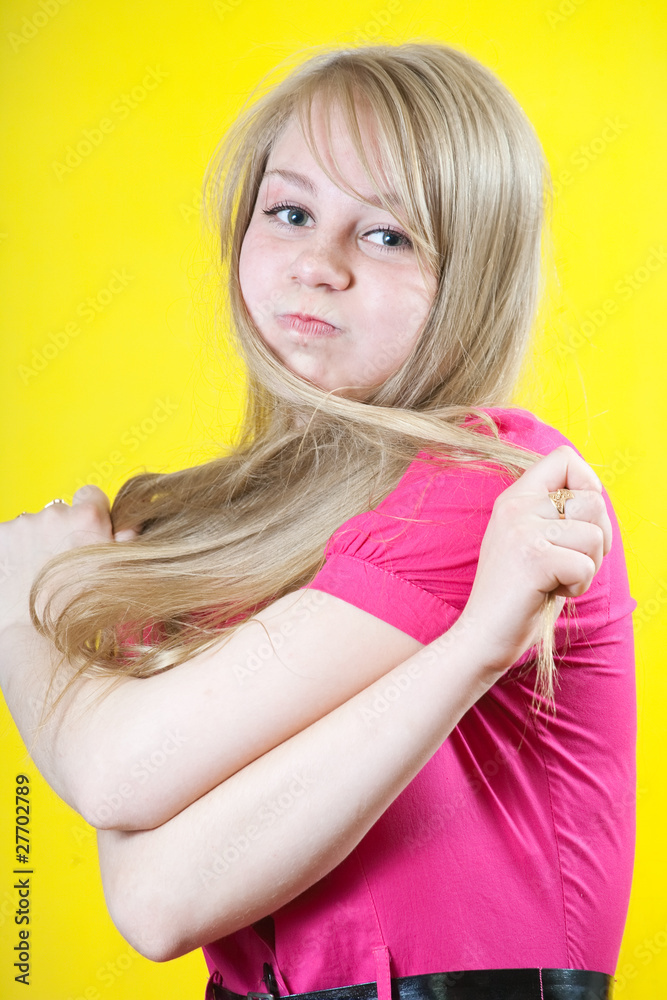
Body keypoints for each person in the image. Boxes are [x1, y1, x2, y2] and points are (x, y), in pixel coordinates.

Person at [0, 43, 635, 1000]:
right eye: (289, 212)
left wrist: (25, 613)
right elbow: (156, 902)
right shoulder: (213, 532)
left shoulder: (489, 487)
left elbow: (118, 775)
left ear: (474, 270)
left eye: (386, 235)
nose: (316, 266)